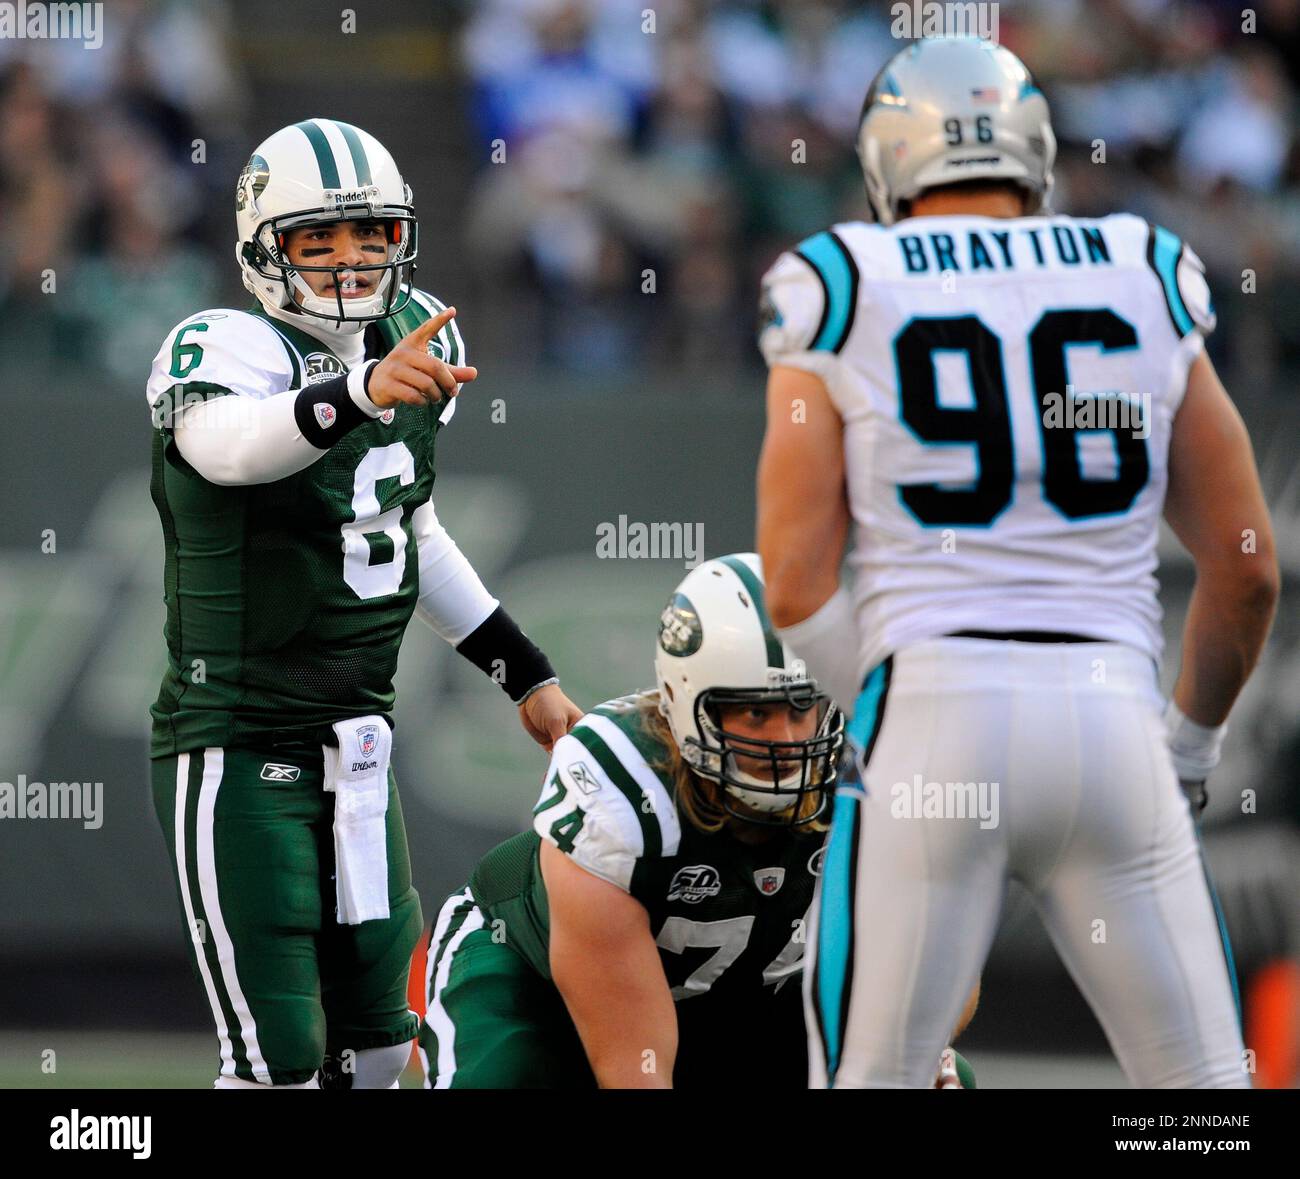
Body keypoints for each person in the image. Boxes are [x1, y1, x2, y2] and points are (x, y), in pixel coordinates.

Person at [755, 38, 1279, 1089]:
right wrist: (1184, 750)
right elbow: (1246, 566)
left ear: (885, 163)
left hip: (932, 709)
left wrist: (883, 726)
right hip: (1112, 720)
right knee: (1204, 1102)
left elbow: (797, 581)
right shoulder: (1139, 264)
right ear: (1033, 153)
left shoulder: (838, 279)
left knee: (872, 1079)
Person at [145, 119, 582, 1089]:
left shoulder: (414, 331)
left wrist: (525, 674)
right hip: (238, 739)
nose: (351, 258)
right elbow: (234, 447)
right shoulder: (221, 345)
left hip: (360, 745)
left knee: (385, 1044)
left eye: (371, 233)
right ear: (266, 249)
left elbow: (405, 529)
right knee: (279, 1058)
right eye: (319, 239)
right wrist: (358, 391)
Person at [417, 553, 976, 1089]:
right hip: (537, 989)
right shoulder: (623, 788)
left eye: (802, 707)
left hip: (745, 1005)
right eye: (756, 712)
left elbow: (947, 968)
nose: (785, 741)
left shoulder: (876, 772)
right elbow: (633, 1068)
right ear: (684, 702)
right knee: (502, 1077)